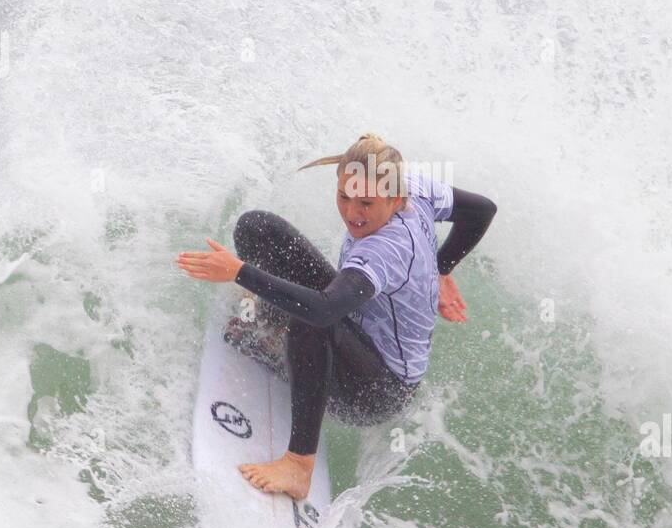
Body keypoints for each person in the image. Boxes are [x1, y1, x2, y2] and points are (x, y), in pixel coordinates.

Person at [176, 133, 497, 500]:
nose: (352, 213)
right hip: (358, 327)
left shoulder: (384, 251)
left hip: (378, 390)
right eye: (344, 196)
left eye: (366, 203)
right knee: (257, 228)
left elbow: (324, 309)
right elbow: (482, 210)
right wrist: (441, 269)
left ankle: (298, 466)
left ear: (394, 198)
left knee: (314, 320)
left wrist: (238, 272)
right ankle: (274, 327)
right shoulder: (414, 186)